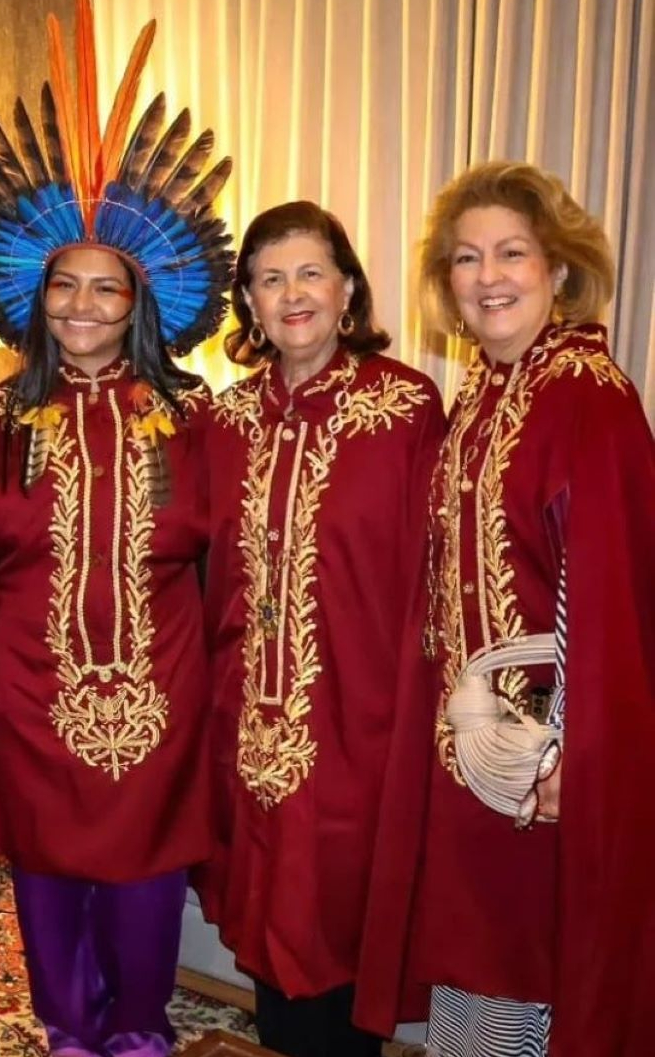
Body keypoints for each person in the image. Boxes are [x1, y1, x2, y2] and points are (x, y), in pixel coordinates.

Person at [0, 5, 233, 1053]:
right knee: (40, 882)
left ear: (139, 302)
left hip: (161, 688)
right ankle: (66, 1032)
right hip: (25, 689)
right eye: (63, 287)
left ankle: (138, 1033)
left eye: (104, 289)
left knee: (143, 881)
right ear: (36, 300)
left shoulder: (200, 418)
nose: (81, 306)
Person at [355, 160, 655, 1057]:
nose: (488, 277)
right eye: (466, 258)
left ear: (557, 270)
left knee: (530, 970)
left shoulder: (592, 398)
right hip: (470, 747)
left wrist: (571, 750)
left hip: (546, 756)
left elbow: (614, 604)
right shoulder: (480, 393)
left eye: (512, 254)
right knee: (473, 966)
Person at [192, 201, 444, 1057]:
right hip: (247, 728)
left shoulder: (405, 410)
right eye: (269, 278)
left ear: (346, 289)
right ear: (249, 305)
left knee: (339, 935)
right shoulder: (221, 425)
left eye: (309, 272)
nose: (291, 293)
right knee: (267, 934)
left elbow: (436, 582)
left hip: (359, 732)